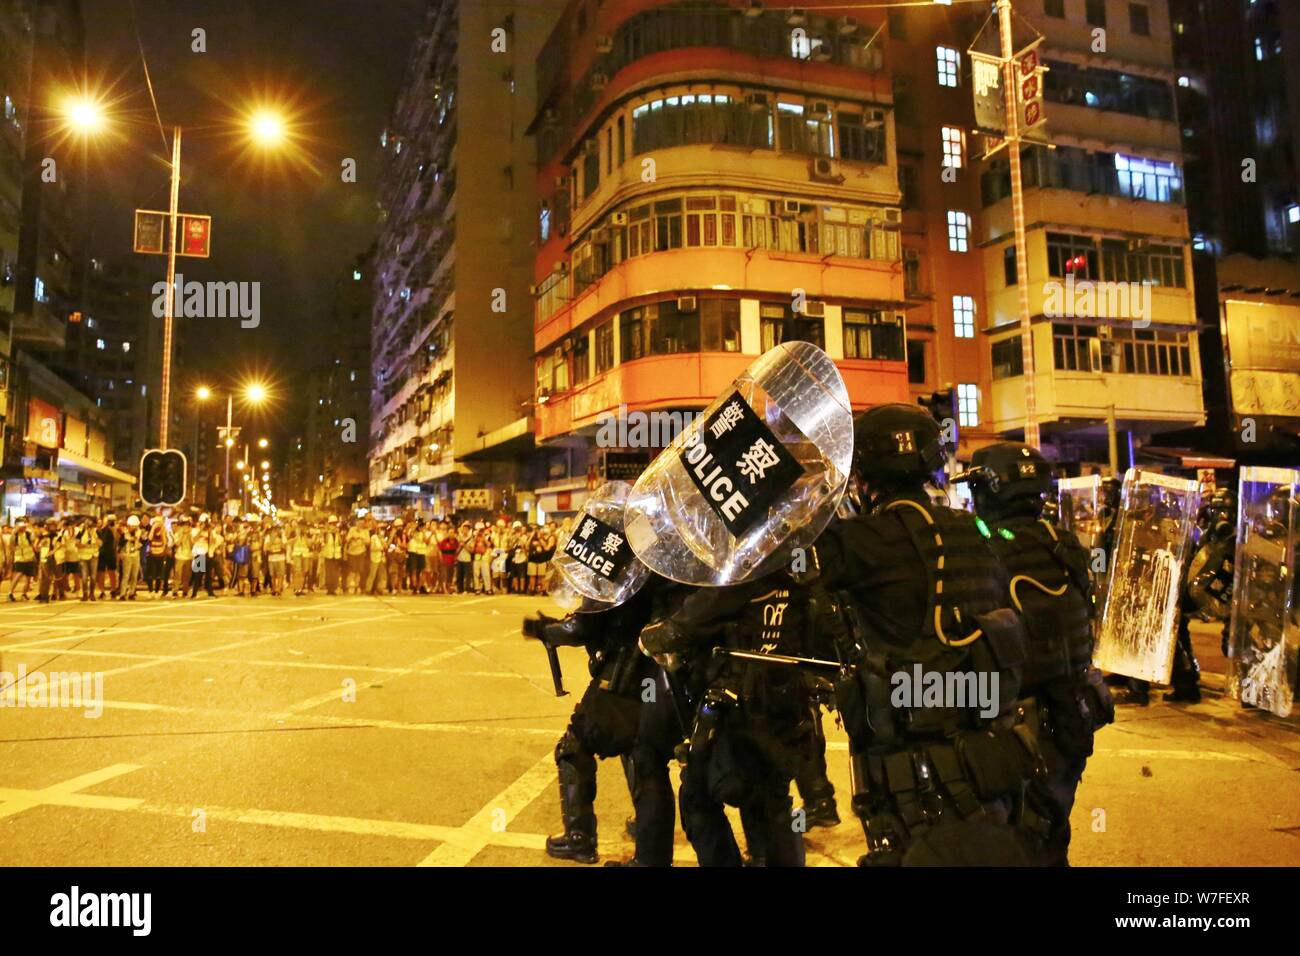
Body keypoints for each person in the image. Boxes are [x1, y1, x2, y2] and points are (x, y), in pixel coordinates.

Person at [799, 404, 1041, 866]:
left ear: (864, 476)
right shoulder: (974, 530)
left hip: (917, 772)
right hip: (989, 755)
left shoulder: (864, 540)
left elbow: (786, 561)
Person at [966, 442, 1114, 866]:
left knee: (1018, 840)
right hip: (1072, 712)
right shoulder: (1061, 542)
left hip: (1021, 721)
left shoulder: (985, 547)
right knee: (1051, 830)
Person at [9, 519, 38, 601]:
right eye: (21, 525)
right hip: (19, 559)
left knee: (29, 578)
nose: (23, 527)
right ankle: (10, 593)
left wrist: (35, 555)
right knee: (18, 576)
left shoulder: (28, 533)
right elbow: (11, 546)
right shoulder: (14, 534)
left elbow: (33, 543)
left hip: (30, 558)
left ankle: (24, 593)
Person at [118, 515, 143, 600]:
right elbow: (120, 544)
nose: (133, 527)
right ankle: (122, 593)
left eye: (135, 526)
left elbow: (143, 542)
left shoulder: (139, 533)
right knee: (126, 575)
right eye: (132, 526)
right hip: (127, 555)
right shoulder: (124, 533)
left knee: (134, 575)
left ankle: (132, 592)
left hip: (136, 554)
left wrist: (139, 540)